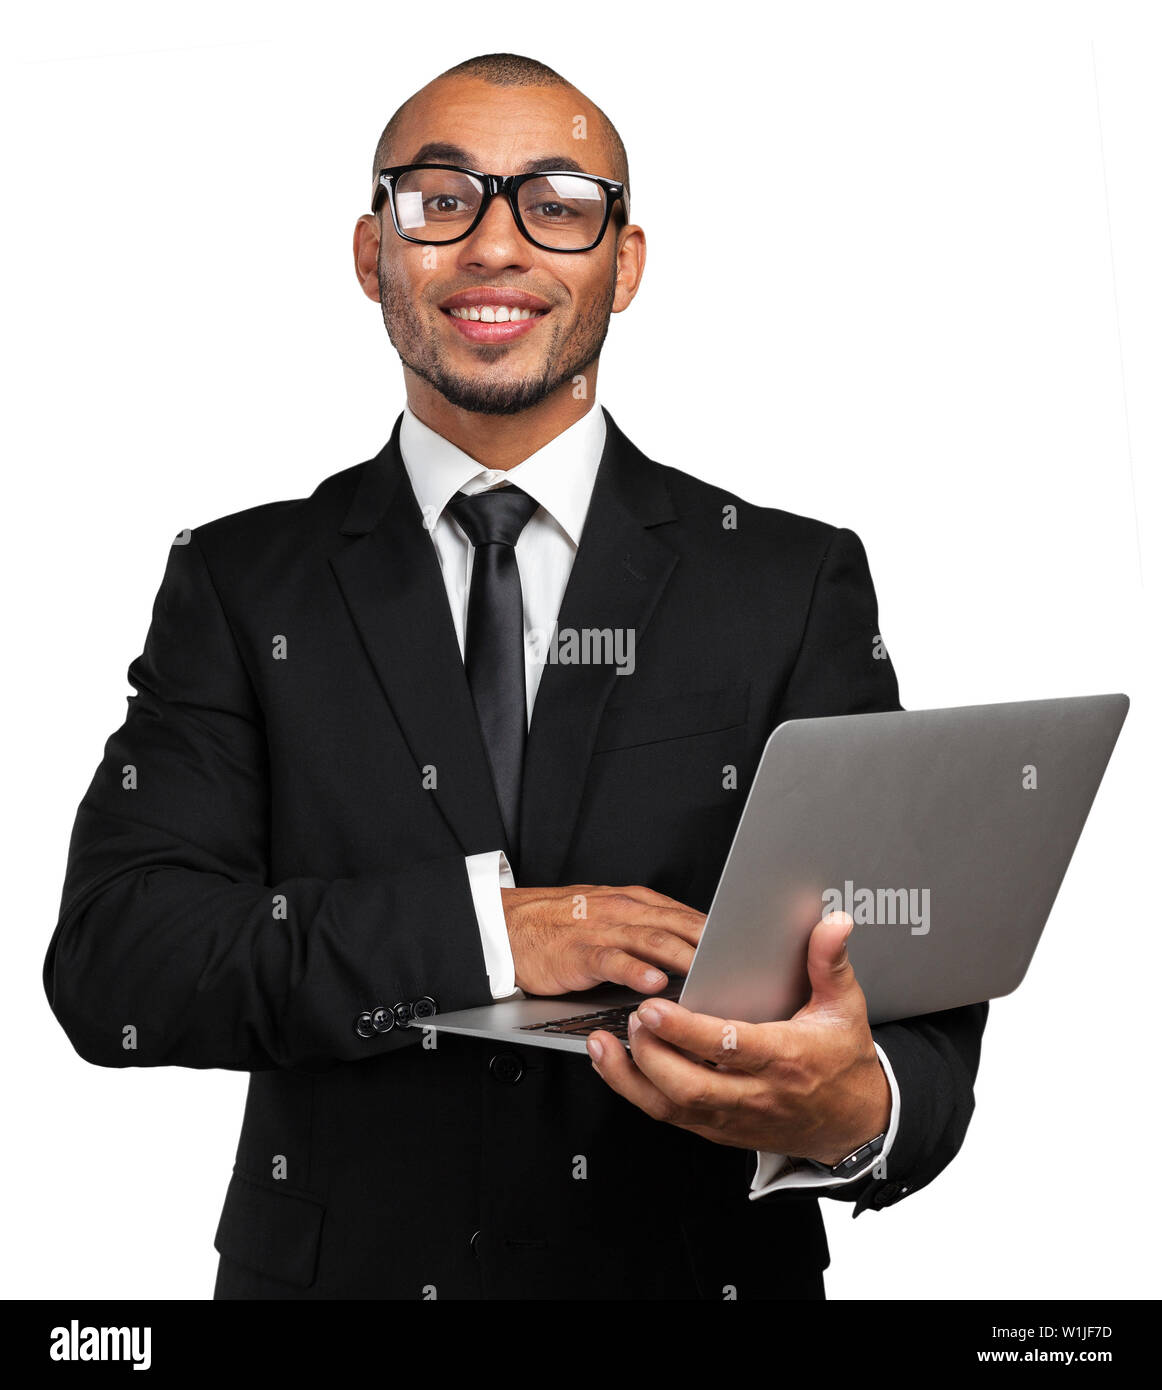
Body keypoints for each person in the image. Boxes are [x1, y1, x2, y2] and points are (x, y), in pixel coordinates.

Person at [44, 52, 986, 1300]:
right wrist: (495, 931)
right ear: (374, 252)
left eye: (555, 201)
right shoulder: (241, 582)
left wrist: (854, 1113)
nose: (495, 245)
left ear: (625, 260)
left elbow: (907, 1002)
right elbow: (123, 959)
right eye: (441, 200)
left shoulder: (786, 582)